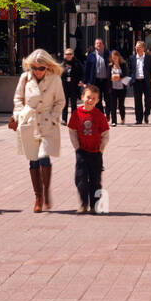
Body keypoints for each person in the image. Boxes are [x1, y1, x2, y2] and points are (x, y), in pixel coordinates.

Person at [13, 48, 66, 212]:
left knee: (44, 157)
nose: (37, 71)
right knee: (33, 160)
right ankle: (38, 196)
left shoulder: (55, 79)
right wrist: (20, 116)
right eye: (34, 67)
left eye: (41, 68)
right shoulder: (25, 78)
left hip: (47, 123)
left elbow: (60, 101)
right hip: (30, 122)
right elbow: (17, 98)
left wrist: (54, 117)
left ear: (48, 67)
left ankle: (46, 191)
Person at [68, 84, 110, 214]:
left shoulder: (99, 115)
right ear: (82, 97)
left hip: (96, 153)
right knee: (80, 178)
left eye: (93, 98)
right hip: (82, 153)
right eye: (88, 97)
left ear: (97, 101)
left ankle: (94, 204)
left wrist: (100, 150)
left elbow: (105, 135)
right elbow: (72, 131)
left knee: (95, 180)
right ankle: (83, 203)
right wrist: (77, 148)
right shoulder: (76, 114)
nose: (90, 100)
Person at [128, 40, 151, 124]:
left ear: (143, 48)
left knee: (148, 100)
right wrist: (131, 79)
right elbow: (130, 69)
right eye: (136, 47)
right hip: (137, 82)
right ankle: (138, 119)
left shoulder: (149, 58)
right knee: (137, 101)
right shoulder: (132, 58)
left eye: (139, 47)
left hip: (146, 82)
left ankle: (146, 115)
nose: (137, 48)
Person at [106, 49, 130, 124]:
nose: (114, 58)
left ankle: (122, 117)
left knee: (121, 105)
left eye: (116, 57)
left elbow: (126, 74)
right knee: (113, 105)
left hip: (121, 88)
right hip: (113, 88)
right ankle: (114, 121)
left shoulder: (123, 64)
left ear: (118, 57)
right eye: (113, 57)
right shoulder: (110, 66)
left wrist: (118, 76)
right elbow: (108, 77)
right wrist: (111, 77)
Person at [61, 46, 84, 122]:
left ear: (72, 55)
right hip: (65, 85)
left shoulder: (77, 63)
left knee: (74, 104)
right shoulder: (62, 64)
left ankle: (74, 120)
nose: (68, 55)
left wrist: (81, 81)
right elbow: (59, 74)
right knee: (65, 103)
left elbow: (82, 73)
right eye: (67, 54)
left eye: (70, 54)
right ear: (64, 55)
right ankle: (64, 119)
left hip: (74, 85)